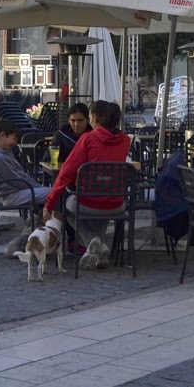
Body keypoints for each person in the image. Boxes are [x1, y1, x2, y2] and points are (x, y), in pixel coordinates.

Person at [44, 100, 130, 269]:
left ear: (95, 117)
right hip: (117, 203)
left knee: (69, 209)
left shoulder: (87, 139)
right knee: (105, 198)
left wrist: (50, 203)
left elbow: (65, 173)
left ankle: (93, 241)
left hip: (89, 201)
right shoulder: (125, 140)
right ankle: (100, 254)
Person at [0, 119, 53, 256]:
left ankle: (32, 228)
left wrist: (37, 188)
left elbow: (21, 176)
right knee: (54, 194)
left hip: (16, 192)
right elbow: (17, 181)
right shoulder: (0, 159)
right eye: (14, 138)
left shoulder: (2, 155)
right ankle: (33, 231)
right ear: (3, 135)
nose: (15, 142)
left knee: (51, 194)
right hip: (11, 195)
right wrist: (36, 188)